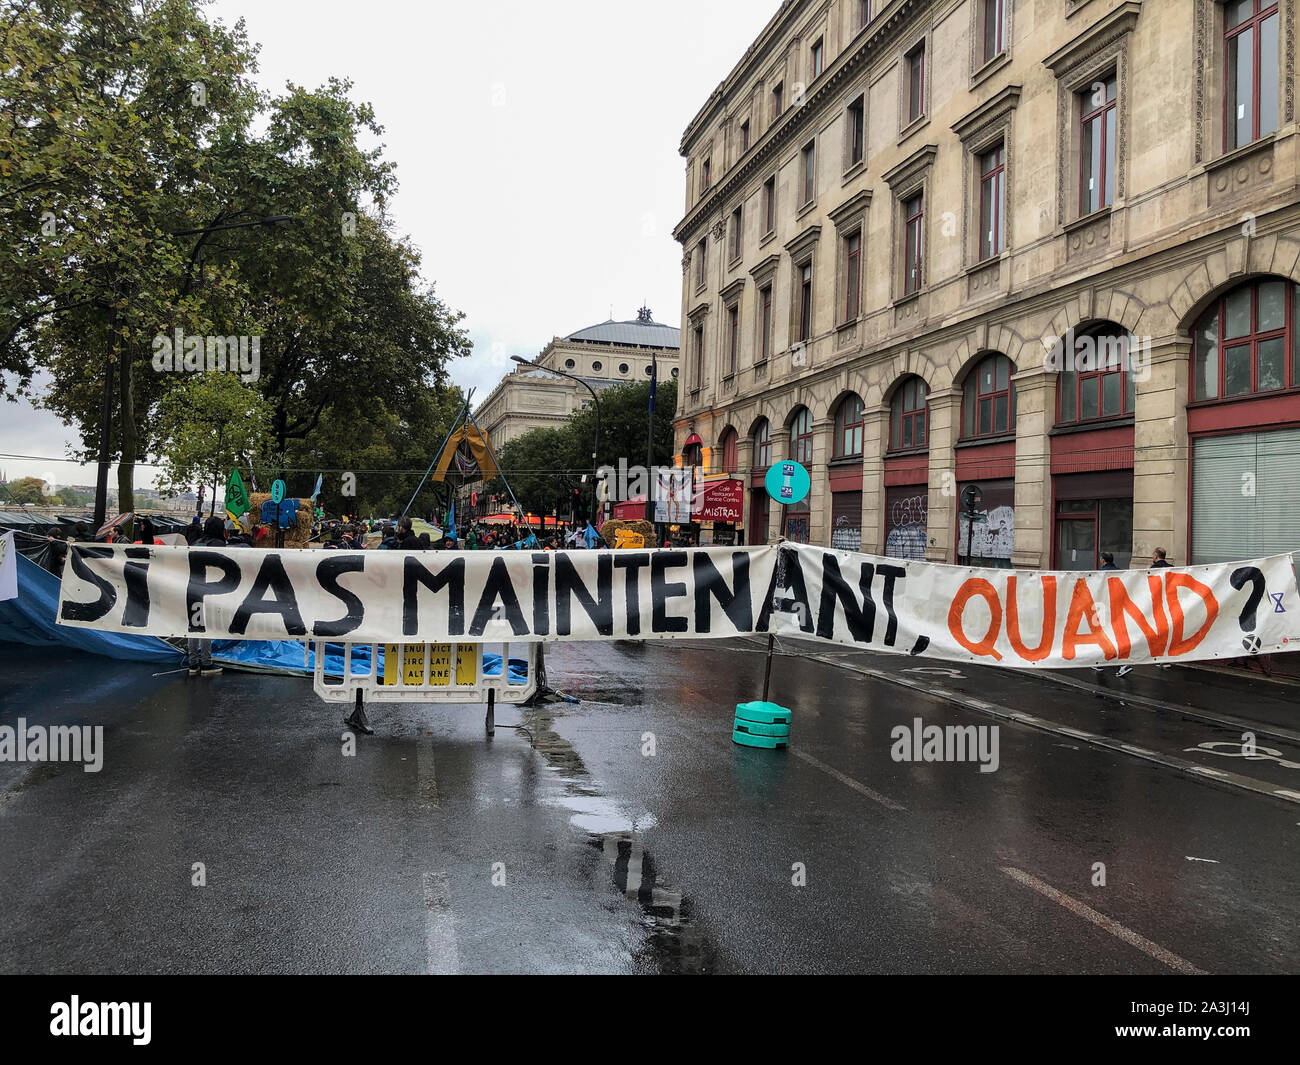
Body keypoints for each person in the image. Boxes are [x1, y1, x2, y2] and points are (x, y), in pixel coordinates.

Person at [186, 516, 237, 677]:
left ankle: (192, 663)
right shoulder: (218, 544)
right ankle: (206, 663)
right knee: (206, 627)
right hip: (209, 589)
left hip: (192, 588)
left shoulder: (196, 543)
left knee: (194, 626)